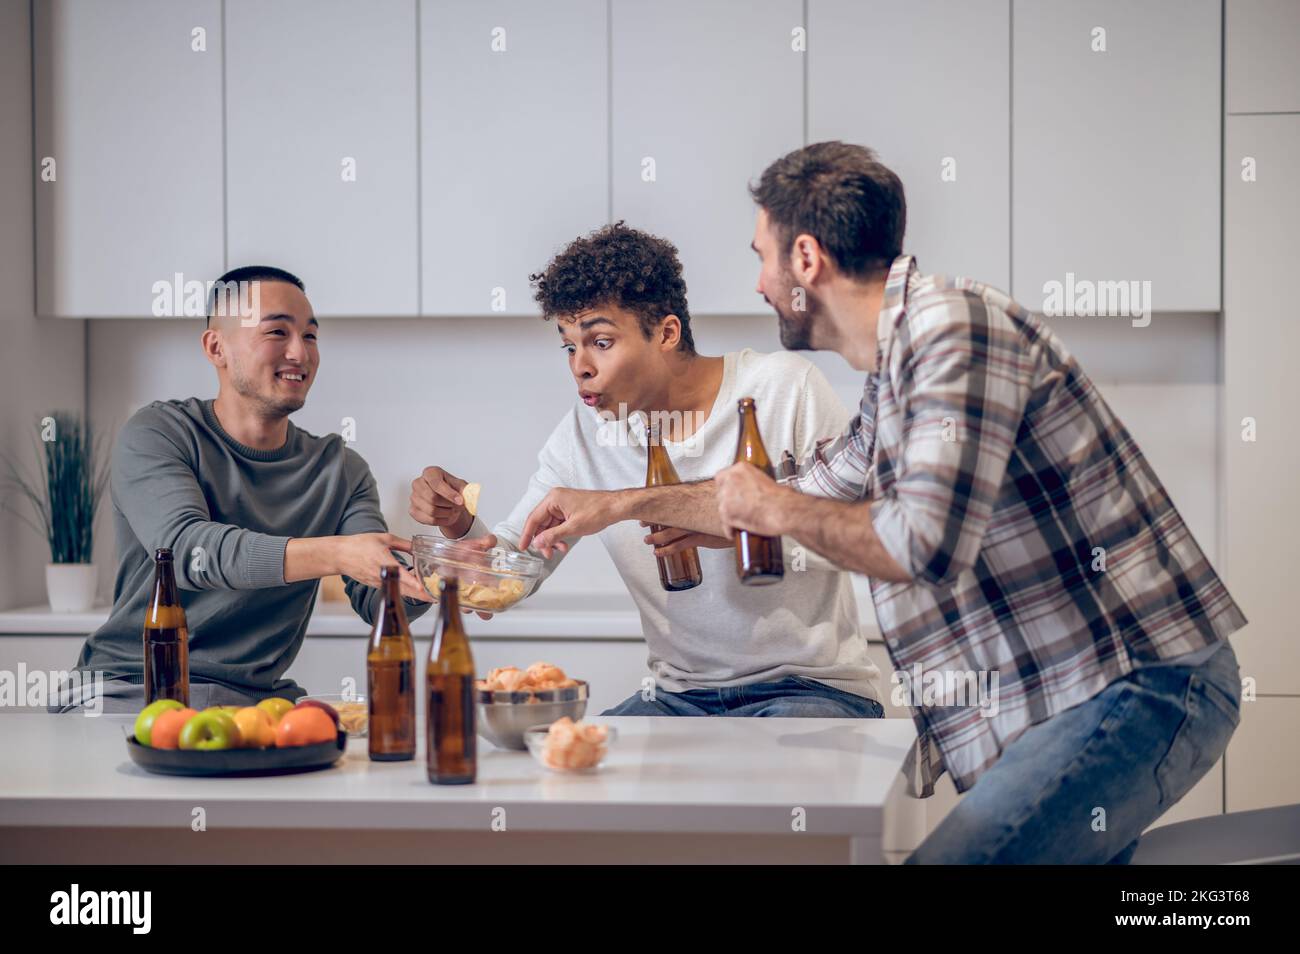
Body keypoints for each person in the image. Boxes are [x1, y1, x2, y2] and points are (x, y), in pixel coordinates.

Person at [513, 143, 1247, 863]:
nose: (758, 284)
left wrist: (762, 507)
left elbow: (916, 544)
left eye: (760, 256)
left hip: (1139, 688)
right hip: (1070, 698)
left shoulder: (952, 328)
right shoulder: (899, 369)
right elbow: (813, 490)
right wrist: (624, 507)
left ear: (806, 260)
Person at [409, 223, 883, 718]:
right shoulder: (585, 432)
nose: (580, 366)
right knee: (569, 775)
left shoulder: (784, 390)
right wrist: (458, 524)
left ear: (666, 333)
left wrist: (738, 527)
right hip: (677, 698)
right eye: (569, 346)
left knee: (763, 782)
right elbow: (513, 571)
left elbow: (869, 542)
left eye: (601, 341)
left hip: (811, 688)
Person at [51, 266, 429, 714]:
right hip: (131, 687)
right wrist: (339, 553)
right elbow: (187, 550)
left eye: (310, 337)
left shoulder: (341, 470)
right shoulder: (159, 433)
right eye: (277, 332)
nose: (300, 353)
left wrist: (448, 562)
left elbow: (378, 600)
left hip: (258, 701)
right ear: (216, 347)